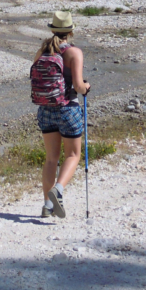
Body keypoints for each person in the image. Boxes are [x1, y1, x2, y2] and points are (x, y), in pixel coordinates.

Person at [32, 11, 90, 218]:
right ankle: (59, 189)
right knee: (73, 155)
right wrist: (86, 86)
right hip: (68, 109)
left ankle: (47, 205)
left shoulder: (42, 51)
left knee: (51, 159)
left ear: (52, 29)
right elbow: (78, 86)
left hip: (45, 109)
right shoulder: (74, 53)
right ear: (71, 31)